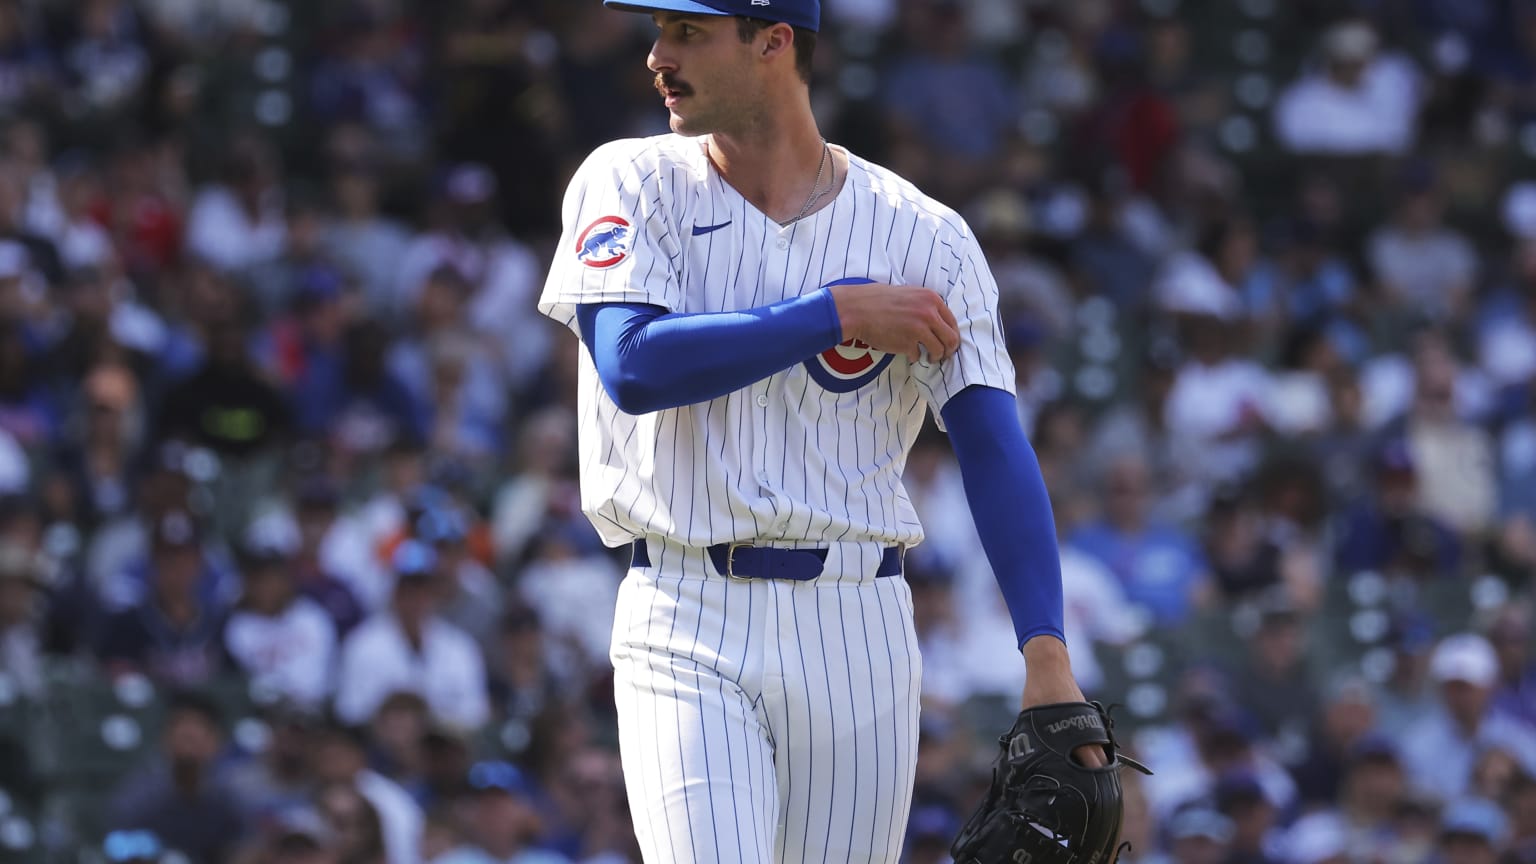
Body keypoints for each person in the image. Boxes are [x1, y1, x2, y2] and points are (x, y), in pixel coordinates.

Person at [537, 1, 1099, 861]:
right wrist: (831, 314)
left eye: (687, 33)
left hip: (857, 618)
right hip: (686, 607)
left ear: (774, 42)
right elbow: (634, 366)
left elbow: (990, 442)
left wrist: (1047, 652)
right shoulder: (631, 178)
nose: (657, 55)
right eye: (659, 31)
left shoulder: (924, 235)